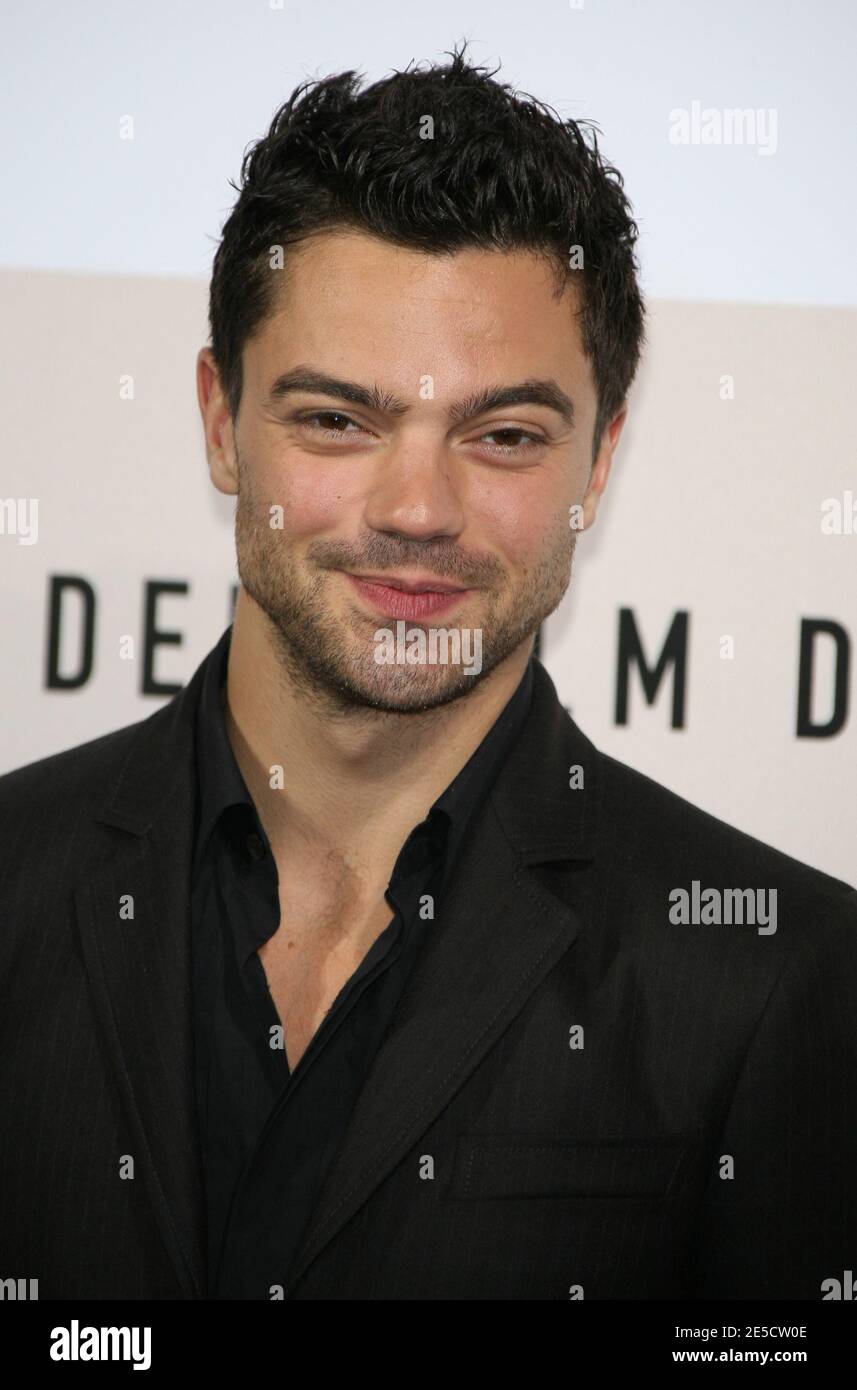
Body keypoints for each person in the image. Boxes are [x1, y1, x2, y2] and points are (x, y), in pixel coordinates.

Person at [1, 43, 855, 1302]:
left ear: (598, 460)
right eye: (336, 420)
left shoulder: (779, 972)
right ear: (220, 422)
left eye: (502, 434)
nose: (416, 507)